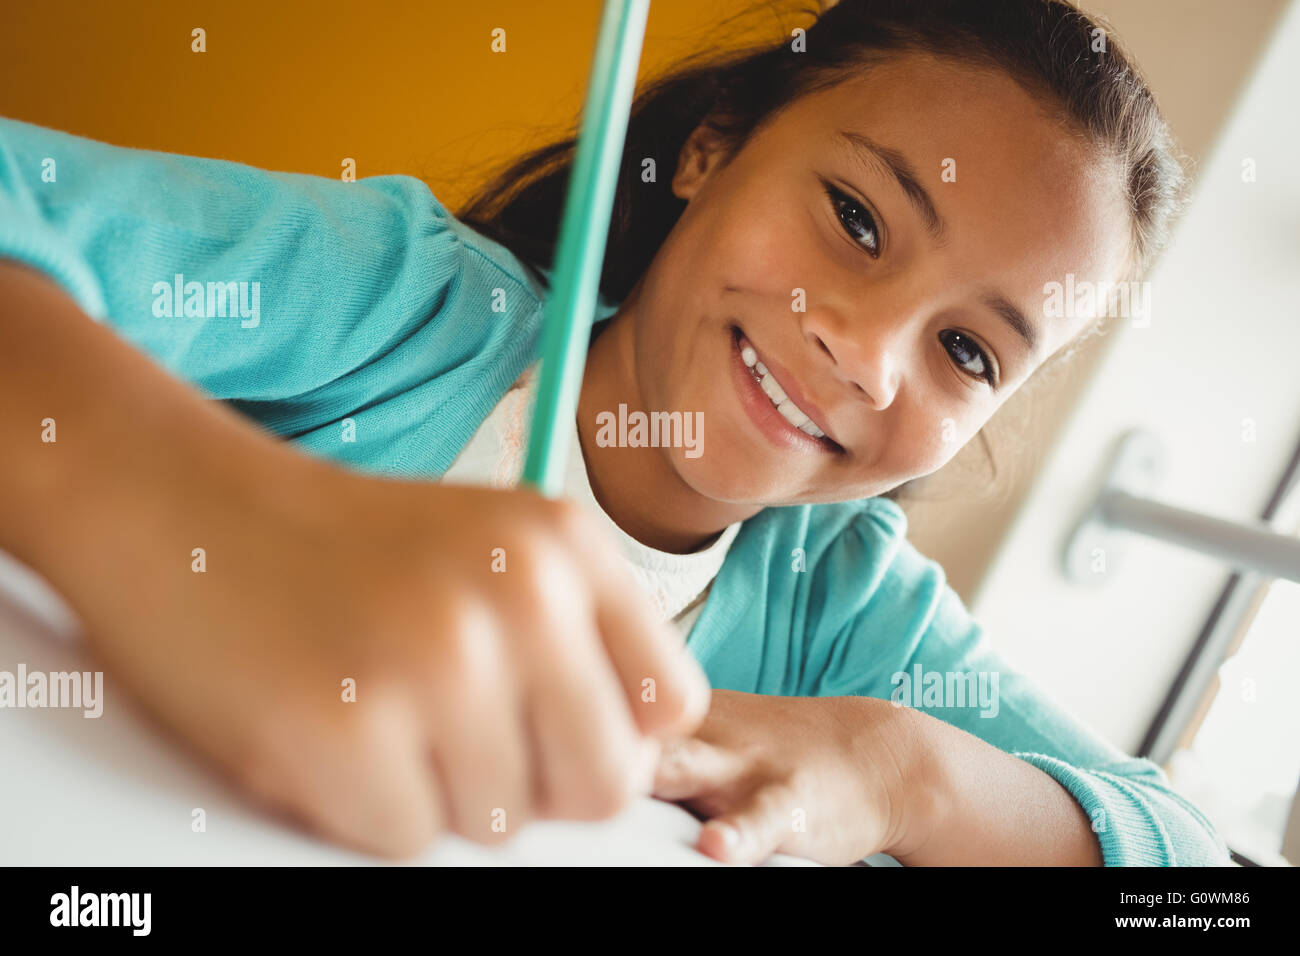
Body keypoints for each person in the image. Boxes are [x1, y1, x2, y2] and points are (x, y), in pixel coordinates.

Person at [0, 0, 1229, 865]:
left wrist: (900, 763)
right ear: (711, 148)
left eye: (967, 352)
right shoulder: (409, 304)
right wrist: (179, 506)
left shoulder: (845, 606)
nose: (863, 348)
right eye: (855, 216)